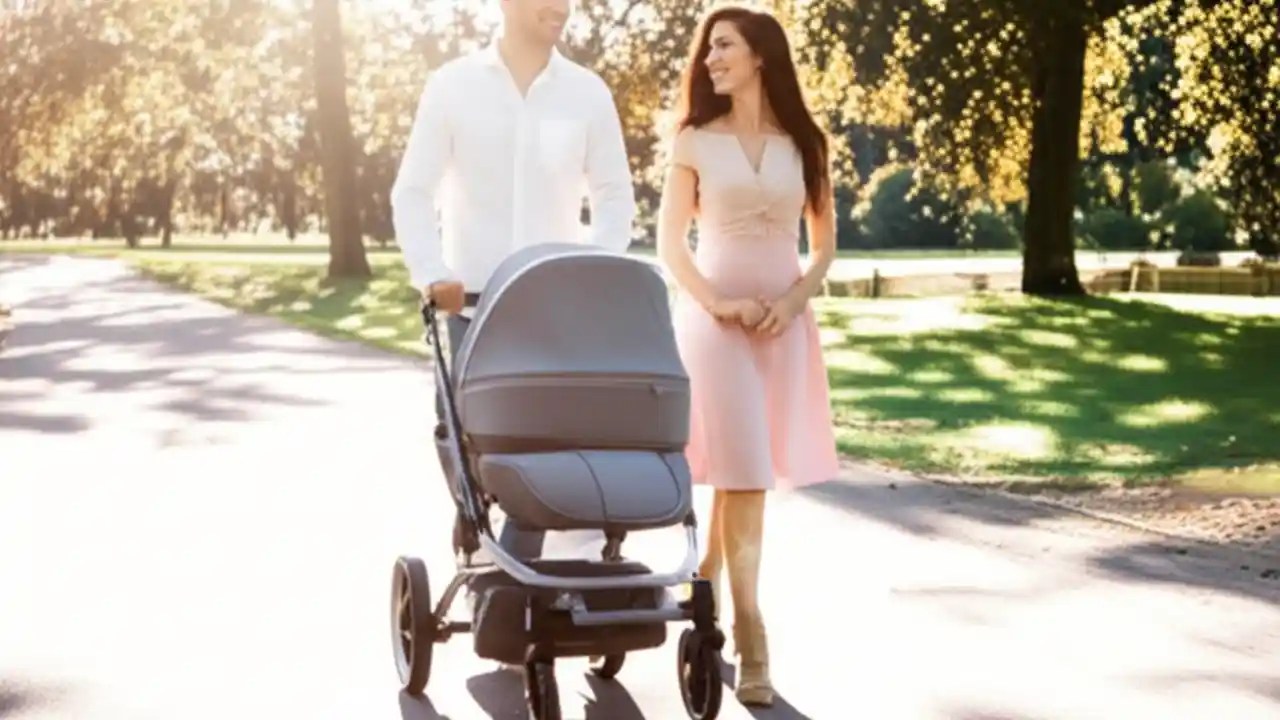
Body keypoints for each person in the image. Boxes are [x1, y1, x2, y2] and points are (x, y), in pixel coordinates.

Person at [390, 0, 637, 563]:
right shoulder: (452, 86)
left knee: (545, 442)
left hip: (556, 306)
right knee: (458, 429)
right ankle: (476, 520)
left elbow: (613, 195)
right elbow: (412, 191)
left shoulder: (587, 93)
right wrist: (432, 273)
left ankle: (513, 584)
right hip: (470, 306)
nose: (562, 8)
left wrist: (591, 268)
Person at [656, 5, 840, 708]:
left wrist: (792, 303)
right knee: (745, 471)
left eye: (723, 46)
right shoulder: (694, 142)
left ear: (760, 54)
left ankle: (703, 572)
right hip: (715, 325)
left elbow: (823, 245)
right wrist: (718, 305)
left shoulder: (806, 142)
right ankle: (749, 628)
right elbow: (673, 246)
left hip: (783, 326)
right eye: (707, 49)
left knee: (744, 473)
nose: (709, 59)